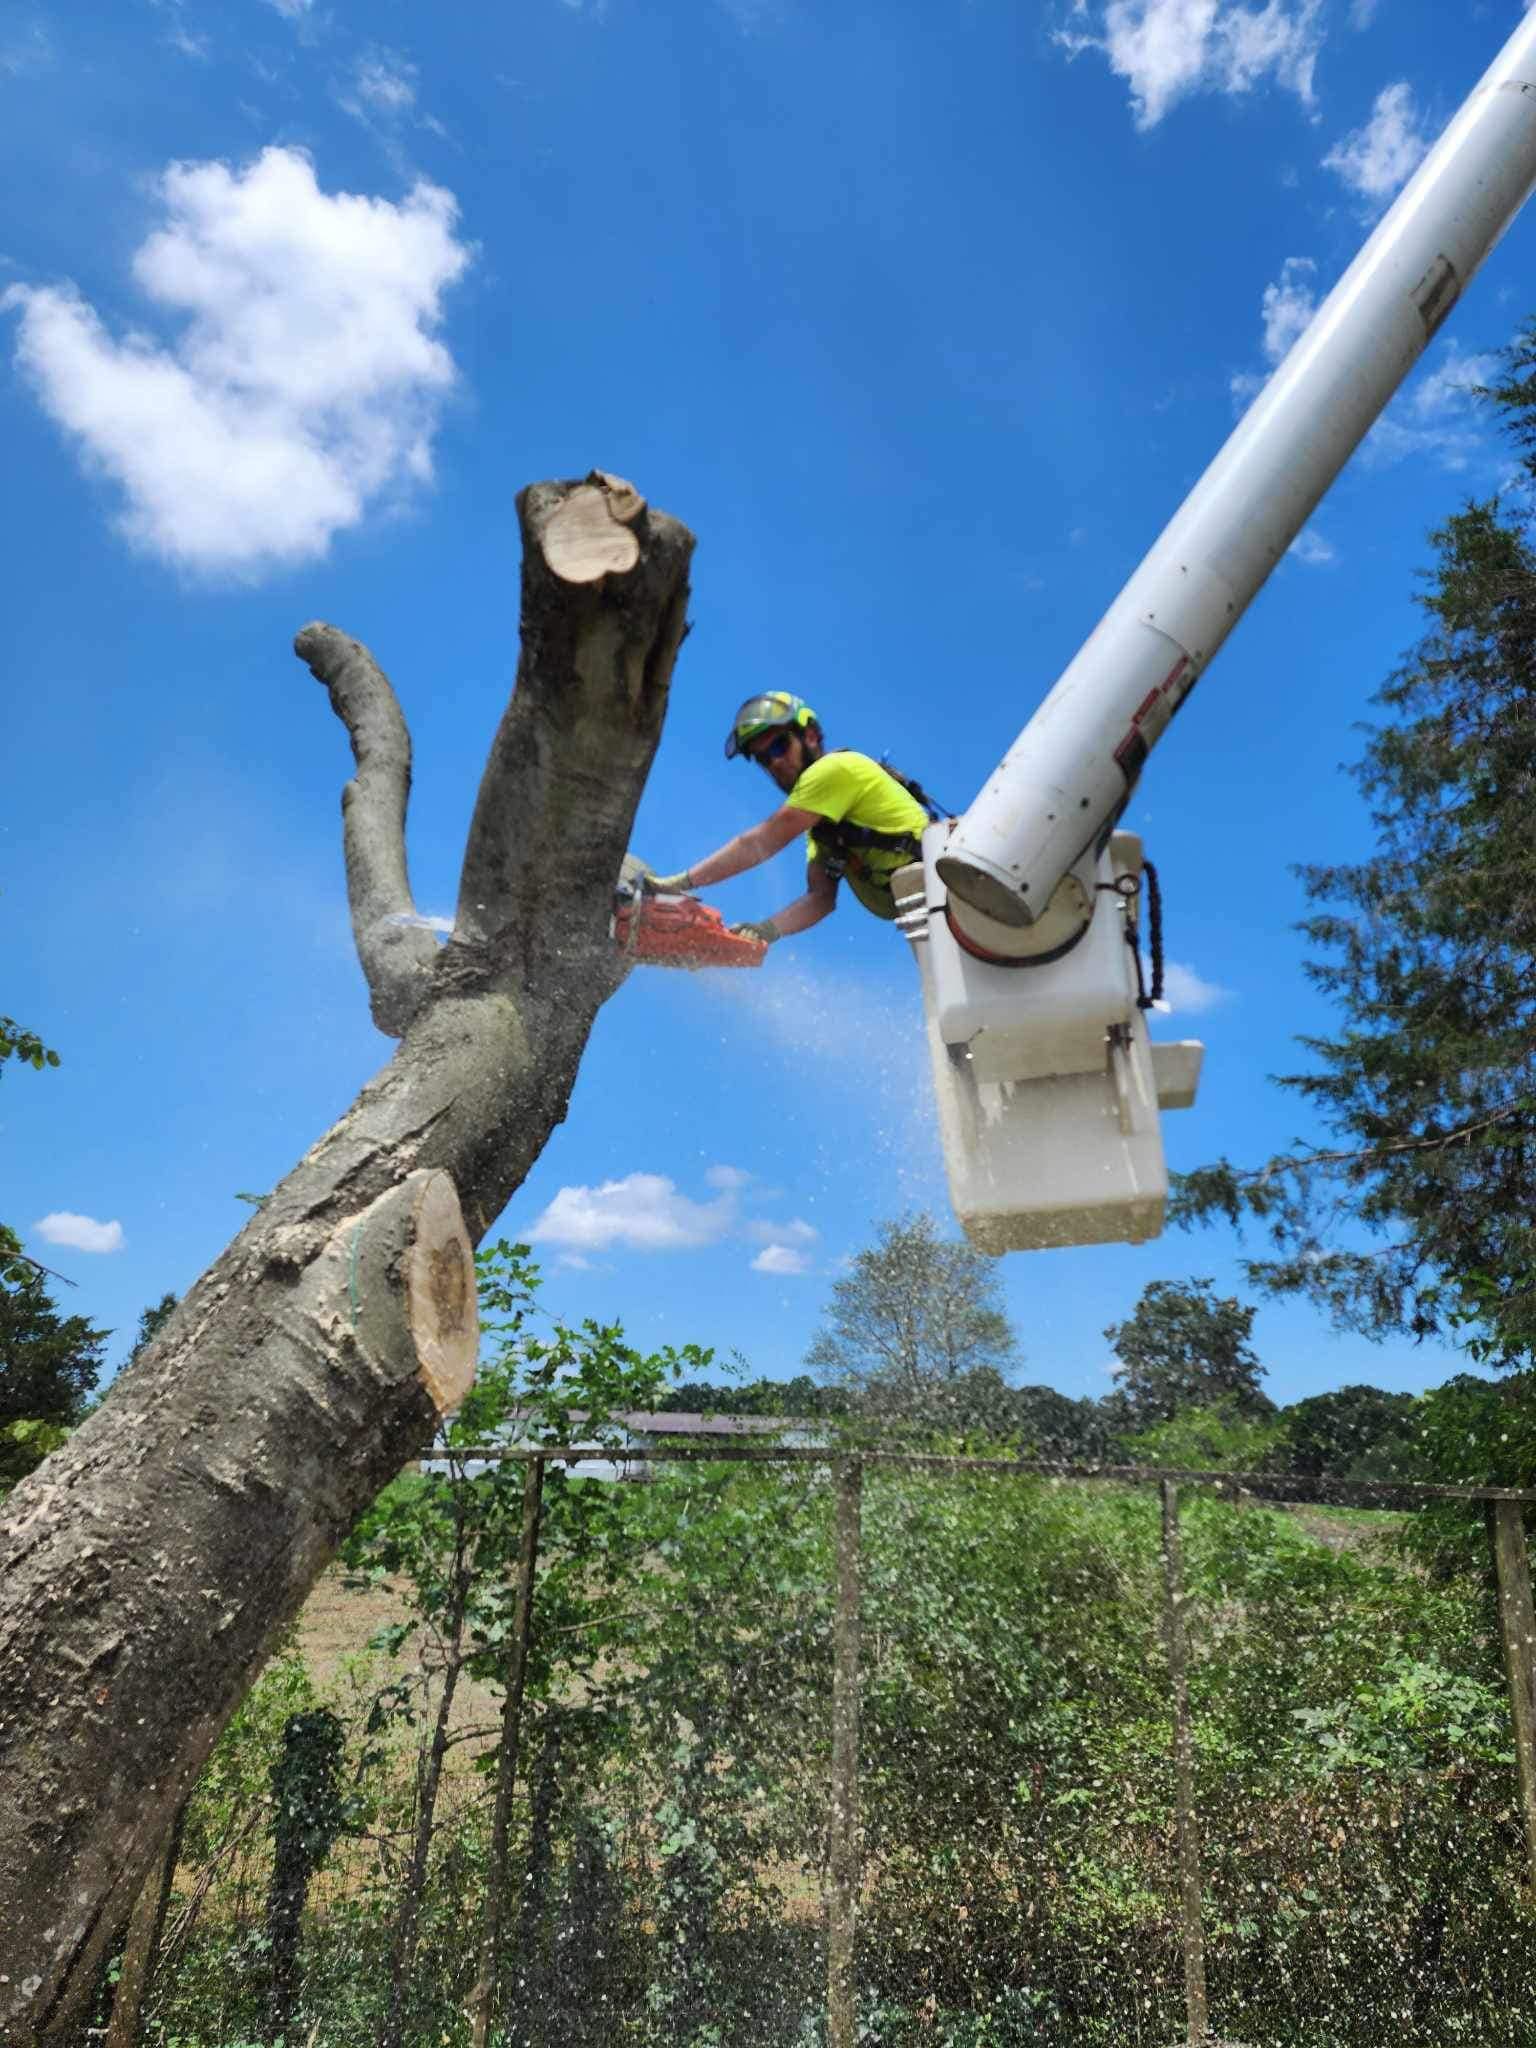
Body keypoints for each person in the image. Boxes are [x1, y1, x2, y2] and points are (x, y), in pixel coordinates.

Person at [646, 692, 937, 946]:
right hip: (930, 912)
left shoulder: (834, 769)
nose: (774, 762)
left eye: (779, 747)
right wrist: (765, 931)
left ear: (810, 736)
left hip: (950, 892)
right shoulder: (823, 831)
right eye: (763, 758)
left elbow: (762, 840)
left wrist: (682, 882)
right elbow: (820, 899)